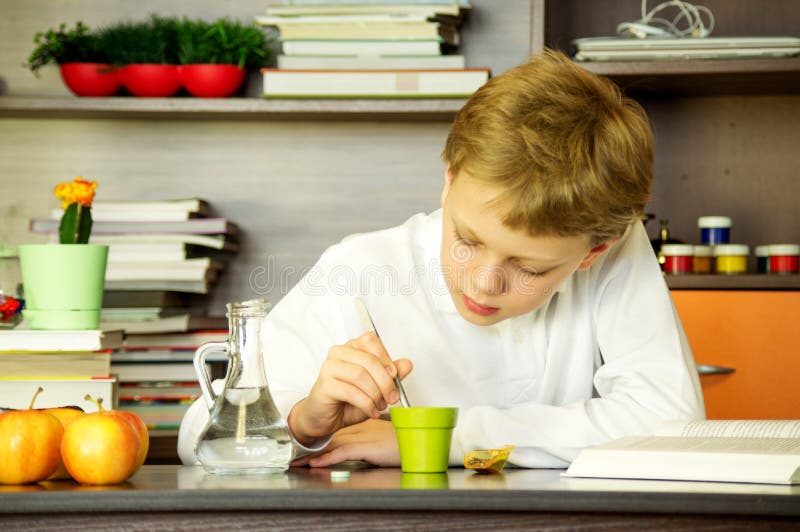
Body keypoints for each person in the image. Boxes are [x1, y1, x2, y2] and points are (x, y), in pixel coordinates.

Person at [178, 50, 704, 468]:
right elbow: (197, 434)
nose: (484, 282)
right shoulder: (362, 269)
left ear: (595, 252)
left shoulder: (611, 242)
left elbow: (671, 423)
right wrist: (300, 421)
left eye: (530, 268)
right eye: (467, 240)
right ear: (449, 179)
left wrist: (439, 440)